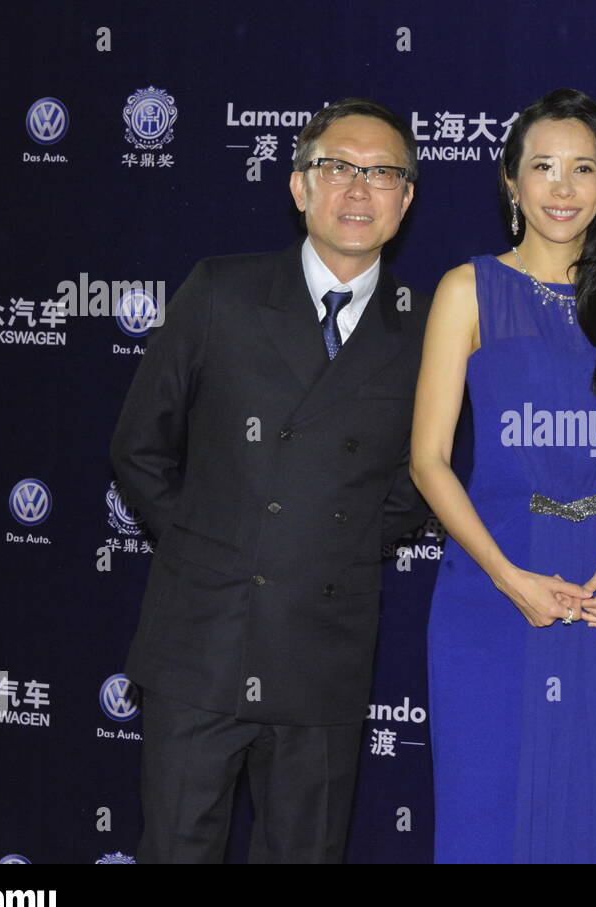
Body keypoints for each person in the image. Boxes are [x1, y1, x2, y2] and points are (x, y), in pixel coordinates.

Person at [110, 98, 428, 863]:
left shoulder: (426, 328)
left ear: (406, 198)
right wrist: (214, 543)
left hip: (323, 656)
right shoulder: (221, 292)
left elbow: (423, 481)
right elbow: (140, 447)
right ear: (298, 187)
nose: (359, 189)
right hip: (202, 644)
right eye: (337, 169)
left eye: (382, 173)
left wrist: (326, 548)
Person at [410, 88, 596, 863]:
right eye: (544, 167)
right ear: (512, 184)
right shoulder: (468, 290)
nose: (563, 188)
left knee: (584, 809)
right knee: (484, 807)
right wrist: (506, 575)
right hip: (490, 585)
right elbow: (427, 459)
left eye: (582, 168)